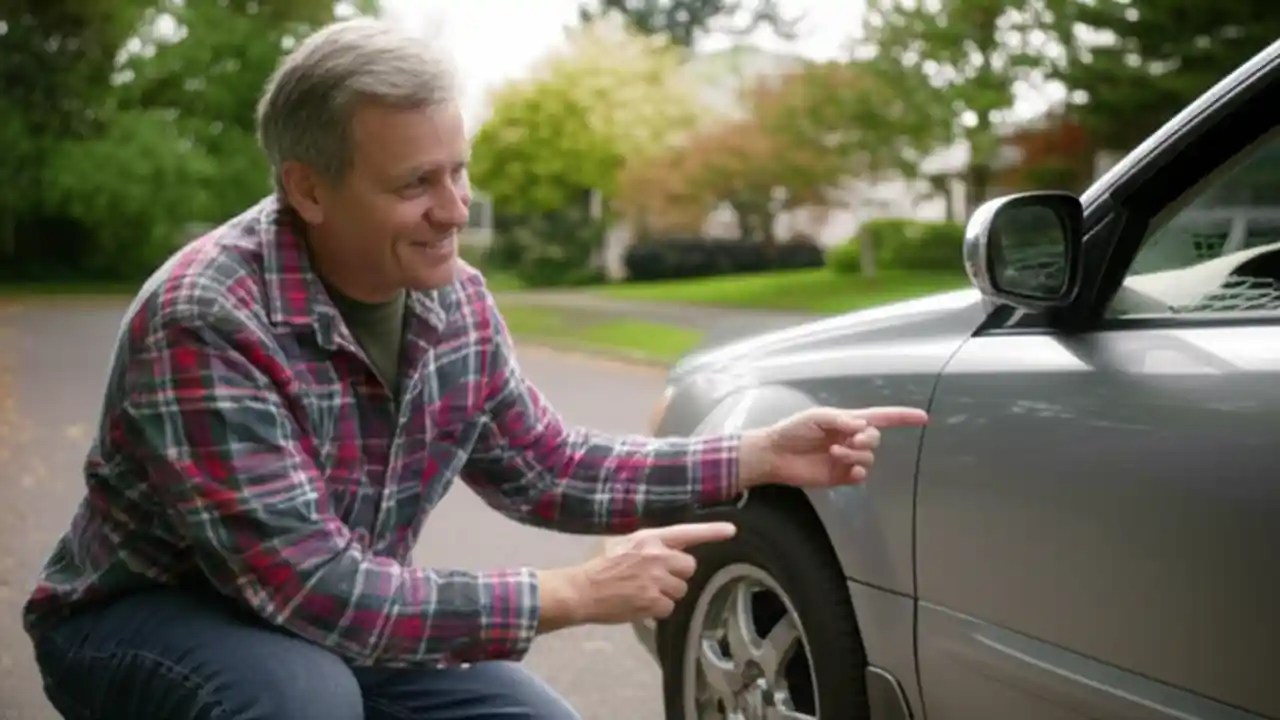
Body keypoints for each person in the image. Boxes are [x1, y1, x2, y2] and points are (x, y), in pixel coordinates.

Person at [22, 17, 929, 720]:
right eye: (416, 184)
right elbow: (310, 585)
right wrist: (568, 595)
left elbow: (547, 466)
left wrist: (757, 455)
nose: (454, 209)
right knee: (298, 699)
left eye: (459, 173)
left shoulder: (453, 300)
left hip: (344, 624)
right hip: (145, 620)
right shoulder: (207, 317)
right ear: (306, 187)